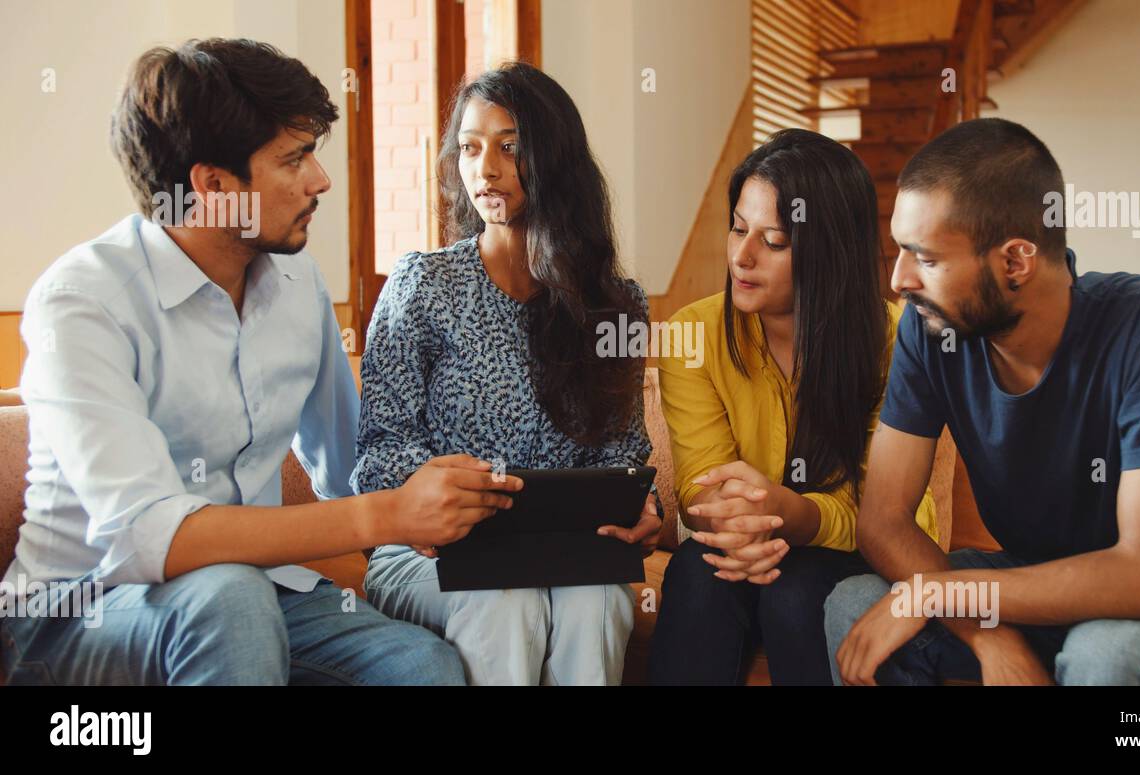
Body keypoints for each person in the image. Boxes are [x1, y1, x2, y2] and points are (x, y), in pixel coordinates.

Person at [0, 39, 482, 686]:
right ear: (214, 184)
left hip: (264, 591)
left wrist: (488, 508)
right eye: (295, 158)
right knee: (226, 598)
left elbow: (354, 467)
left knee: (424, 666)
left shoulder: (296, 286)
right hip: (76, 614)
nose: (321, 179)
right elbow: (150, 537)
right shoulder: (83, 301)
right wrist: (390, 512)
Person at [825, 117, 1140, 686]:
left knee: (1107, 654)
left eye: (927, 258)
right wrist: (989, 634)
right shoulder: (930, 327)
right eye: (899, 251)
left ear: (1015, 261)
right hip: (1034, 580)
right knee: (854, 605)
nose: (898, 280)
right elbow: (884, 522)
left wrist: (941, 591)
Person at [355, 62, 661, 686]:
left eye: (509, 148)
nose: (484, 169)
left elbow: (626, 452)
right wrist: (450, 498)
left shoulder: (615, 303)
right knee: (507, 597)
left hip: (567, 554)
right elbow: (380, 453)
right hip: (435, 555)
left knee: (597, 597)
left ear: (554, 160)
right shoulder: (422, 285)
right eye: (469, 148)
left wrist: (646, 508)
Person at [647, 129, 938, 685]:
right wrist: (733, 517)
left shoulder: (895, 341)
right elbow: (697, 488)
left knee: (796, 587)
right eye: (737, 228)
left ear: (827, 248)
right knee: (697, 570)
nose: (742, 256)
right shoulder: (693, 333)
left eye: (774, 241)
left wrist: (795, 515)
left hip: (845, 549)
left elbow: (899, 516)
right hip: (735, 549)